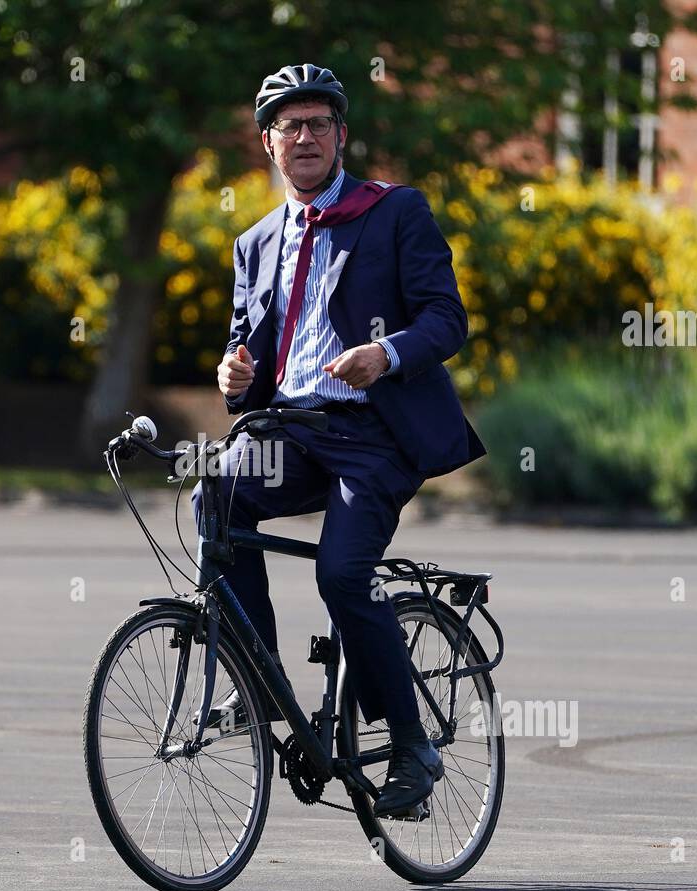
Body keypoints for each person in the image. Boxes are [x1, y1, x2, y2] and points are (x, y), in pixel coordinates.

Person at [191, 63, 485, 818]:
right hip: (290, 430)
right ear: (268, 144)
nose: (306, 136)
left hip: (374, 436)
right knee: (215, 495)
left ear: (342, 136)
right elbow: (247, 365)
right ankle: (259, 682)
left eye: (320, 123)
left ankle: (414, 748)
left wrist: (384, 355)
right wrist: (233, 377)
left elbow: (446, 319)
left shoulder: (393, 211)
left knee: (342, 575)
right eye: (291, 125)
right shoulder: (254, 243)